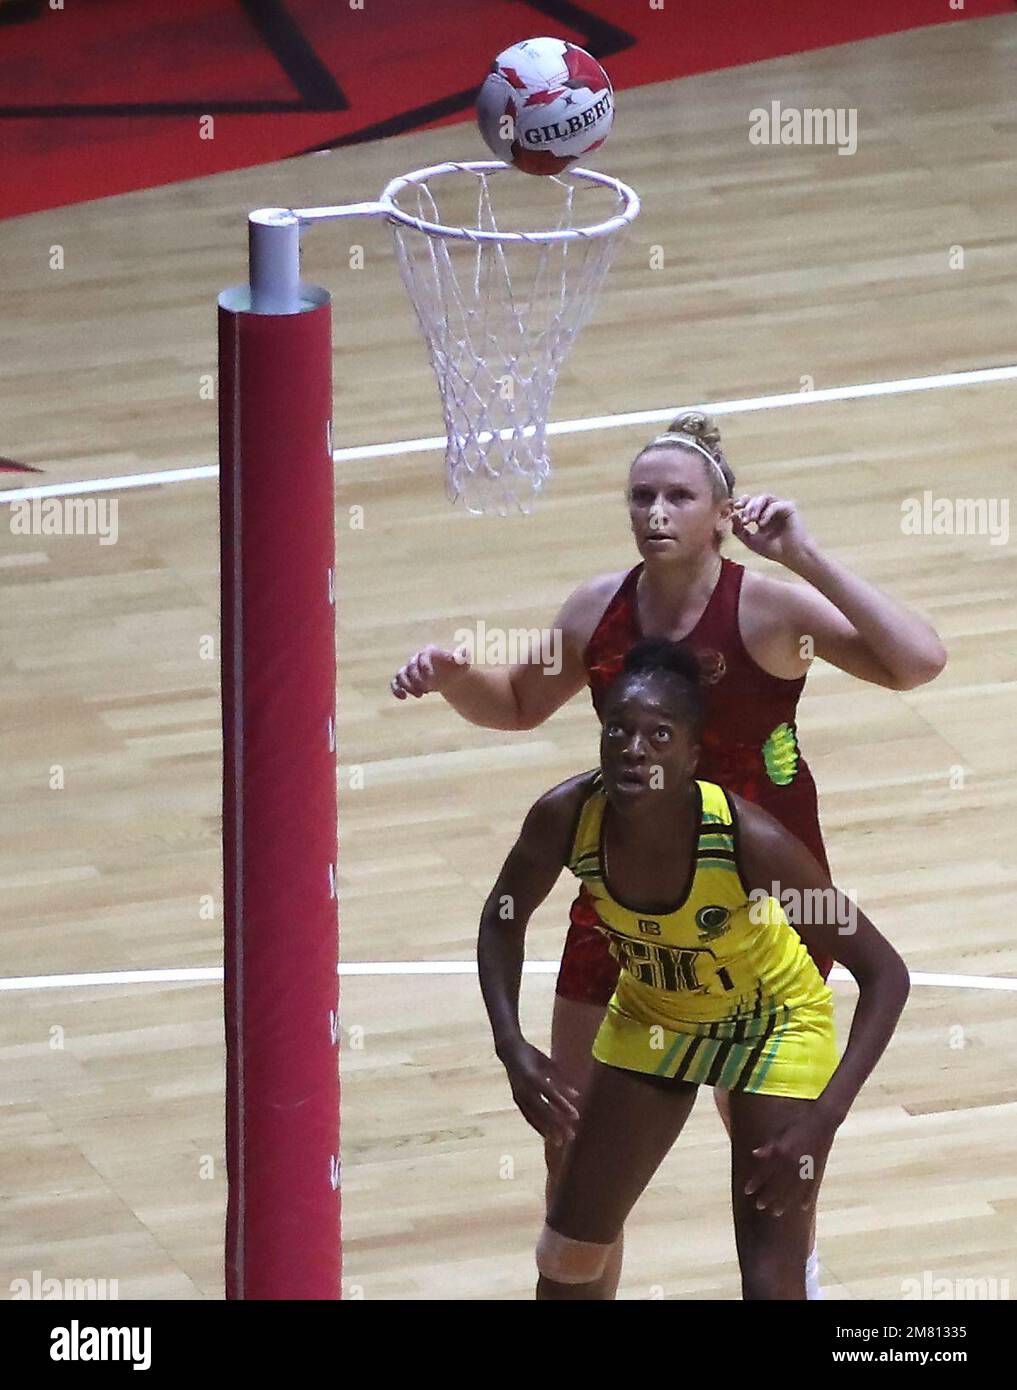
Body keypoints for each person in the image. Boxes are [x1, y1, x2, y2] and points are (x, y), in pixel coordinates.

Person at [391, 410, 944, 1295]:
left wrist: (803, 553)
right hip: (625, 874)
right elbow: (520, 703)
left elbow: (917, 662)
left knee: (756, 1122)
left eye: (677, 496)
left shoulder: (765, 604)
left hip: (759, 878)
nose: (655, 511)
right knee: (569, 1134)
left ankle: (790, 1267)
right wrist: (456, 678)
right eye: (640, 495)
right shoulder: (596, 607)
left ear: (720, 512)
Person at [477, 641, 910, 1299]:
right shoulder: (565, 816)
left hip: (772, 1026)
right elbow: (501, 920)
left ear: (691, 757)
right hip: (655, 1018)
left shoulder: (748, 841)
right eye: (617, 729)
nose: (632, 748)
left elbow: (884, 973)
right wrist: (512, 1048)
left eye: (658, 734)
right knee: (565, 1258)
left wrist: (824, 1118)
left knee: (769, 1278)